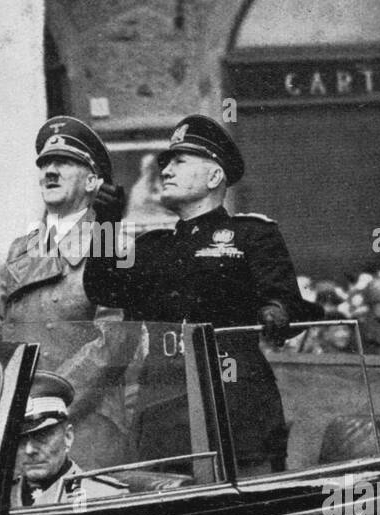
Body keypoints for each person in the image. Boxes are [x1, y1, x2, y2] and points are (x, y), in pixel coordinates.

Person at [84, 115, 323, 473]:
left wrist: (275, 310)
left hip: (235, 407)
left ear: (214, 176)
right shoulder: (151, 246)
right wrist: (105, 222)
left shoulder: (252, 234)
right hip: (164, 411)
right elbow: (102, 286)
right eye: (165, 162)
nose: (166, 170)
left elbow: (286, 300)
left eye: (179, 161)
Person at [0, 117, 130, 470]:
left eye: (64, 163)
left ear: (93, 181)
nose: (50, 171)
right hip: (25, 429)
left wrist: (46, 399)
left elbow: (117, 337)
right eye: (45, 163)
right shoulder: (22, 248)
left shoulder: (113, 242)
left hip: (83, 426)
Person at [12, 373, 128, 508]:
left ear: (68, 437)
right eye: (20, 439)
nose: (29, 450)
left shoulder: (103, 496)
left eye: (42, 436)